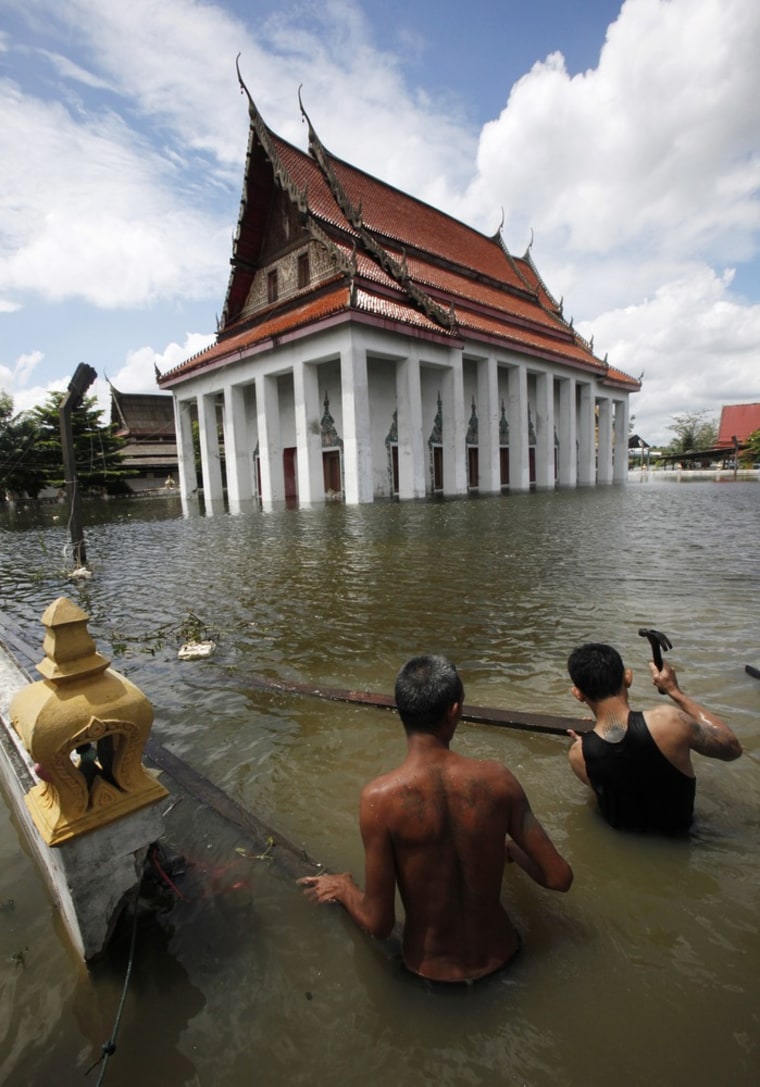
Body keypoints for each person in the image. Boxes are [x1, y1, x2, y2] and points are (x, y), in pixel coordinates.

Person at [298, 654, 573, 983]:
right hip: (508, 960)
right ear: (454, 711)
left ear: (402, 710)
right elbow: (559, 877)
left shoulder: (379, 799)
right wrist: (512, 849)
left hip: (432, 977)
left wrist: (344, 888)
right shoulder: (499, 780)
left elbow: (379, 923)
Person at [566, 643, 742, 834]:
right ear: (628, 677)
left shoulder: (578, 755)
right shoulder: (668, 722)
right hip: (684, 838)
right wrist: (674, 691)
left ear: (578, 694)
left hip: (629, 842)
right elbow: (732, 748)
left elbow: (609, 795)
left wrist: (587, 742)